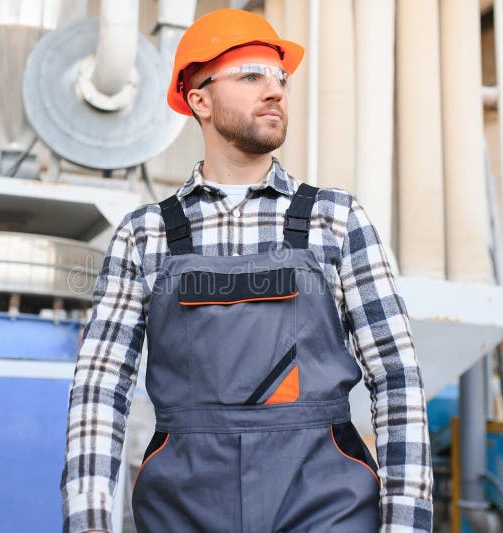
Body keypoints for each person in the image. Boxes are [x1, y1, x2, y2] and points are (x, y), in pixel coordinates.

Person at [62, 8, 433, 533]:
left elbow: (396, 376)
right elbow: (100, 385)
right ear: (200, 99)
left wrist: (406, 525)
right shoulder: (145, 235)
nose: (276, 90)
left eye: (280, 78)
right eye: (251, 75)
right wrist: (89, 522)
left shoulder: (336, 220)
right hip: (183, 508)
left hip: (323, 504)